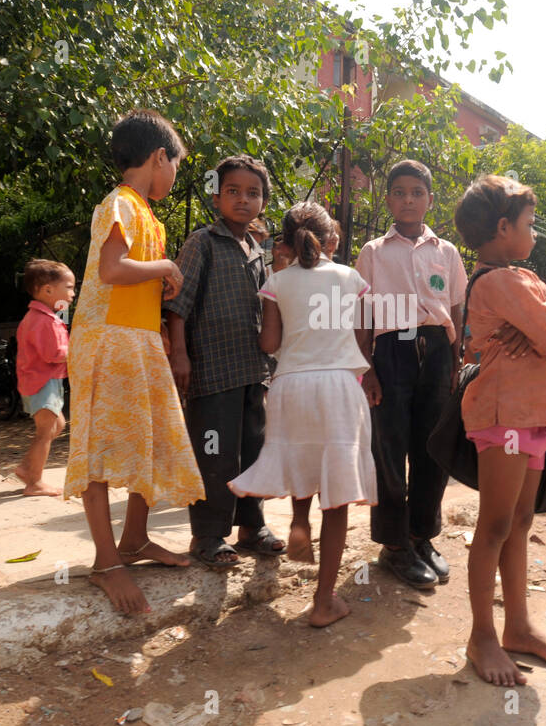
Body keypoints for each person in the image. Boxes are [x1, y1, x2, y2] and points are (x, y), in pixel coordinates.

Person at [455, 175, 546, 687]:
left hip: (536, 417)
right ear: (502, 226)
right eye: (530, 225)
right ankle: (481, 636)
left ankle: (518, 626)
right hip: (505, 418)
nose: (535, 233)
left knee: (520, 522)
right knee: (494, 526)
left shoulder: (523, 279)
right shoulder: (501, 282)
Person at [64, 109, 201, 615]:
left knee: (150, 440)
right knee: (98, 447)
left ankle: (135, 540)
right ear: (159, 156)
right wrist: (165, 266)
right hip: (106, 341)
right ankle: (105, 560)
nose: (175, 176)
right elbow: (112, 268)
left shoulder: (148, 214)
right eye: (175, 166)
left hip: (138, 339)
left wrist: (160, 326)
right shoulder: (119, 202)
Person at [229, 202, 376, 627]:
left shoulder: (277, 282)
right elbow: (362, 339)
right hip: (338, 385)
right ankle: (323, 600)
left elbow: (269, 344)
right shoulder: (351, 279)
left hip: (291, 385)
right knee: (337, 490)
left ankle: (297, 521)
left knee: (301, 458)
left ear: (287, 241)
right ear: (331, 238)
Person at [165, 155, 286, 570]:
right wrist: (179, 354)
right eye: (233, 191)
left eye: (252, 193)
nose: (243, 200)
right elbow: (177, 305)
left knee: (253, 453)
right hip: (212, 372)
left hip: (253, 370)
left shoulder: (257, 250)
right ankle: (208, 534)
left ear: (263, 202)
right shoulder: (202, 243)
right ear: (216, 196)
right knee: (214, 454)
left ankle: (253, 527)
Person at [355, 159, 468, 589]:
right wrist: (366, 368)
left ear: (430, 201)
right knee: (390, 448)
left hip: (438, 348)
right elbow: (362, 313)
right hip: (392, 351)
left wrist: (456, 361)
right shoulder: (373, 252)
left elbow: (455, 307)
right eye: (399, 192)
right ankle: (394, 545)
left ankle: (422, 536)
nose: (408, 200)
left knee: (432, 448)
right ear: (387, 199)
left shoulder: (447, 251)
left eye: (416, 193)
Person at [14, 259, 75, 497]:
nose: (72, 293)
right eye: (68, 287)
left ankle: (26, 467)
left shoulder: (45, 316)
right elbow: (54, 354)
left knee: (57, 425)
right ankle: (35, 482)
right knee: (45, 432)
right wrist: (78, 353)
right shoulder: (43, 320)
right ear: (48, 290)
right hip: (42, 383)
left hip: (43, 381)